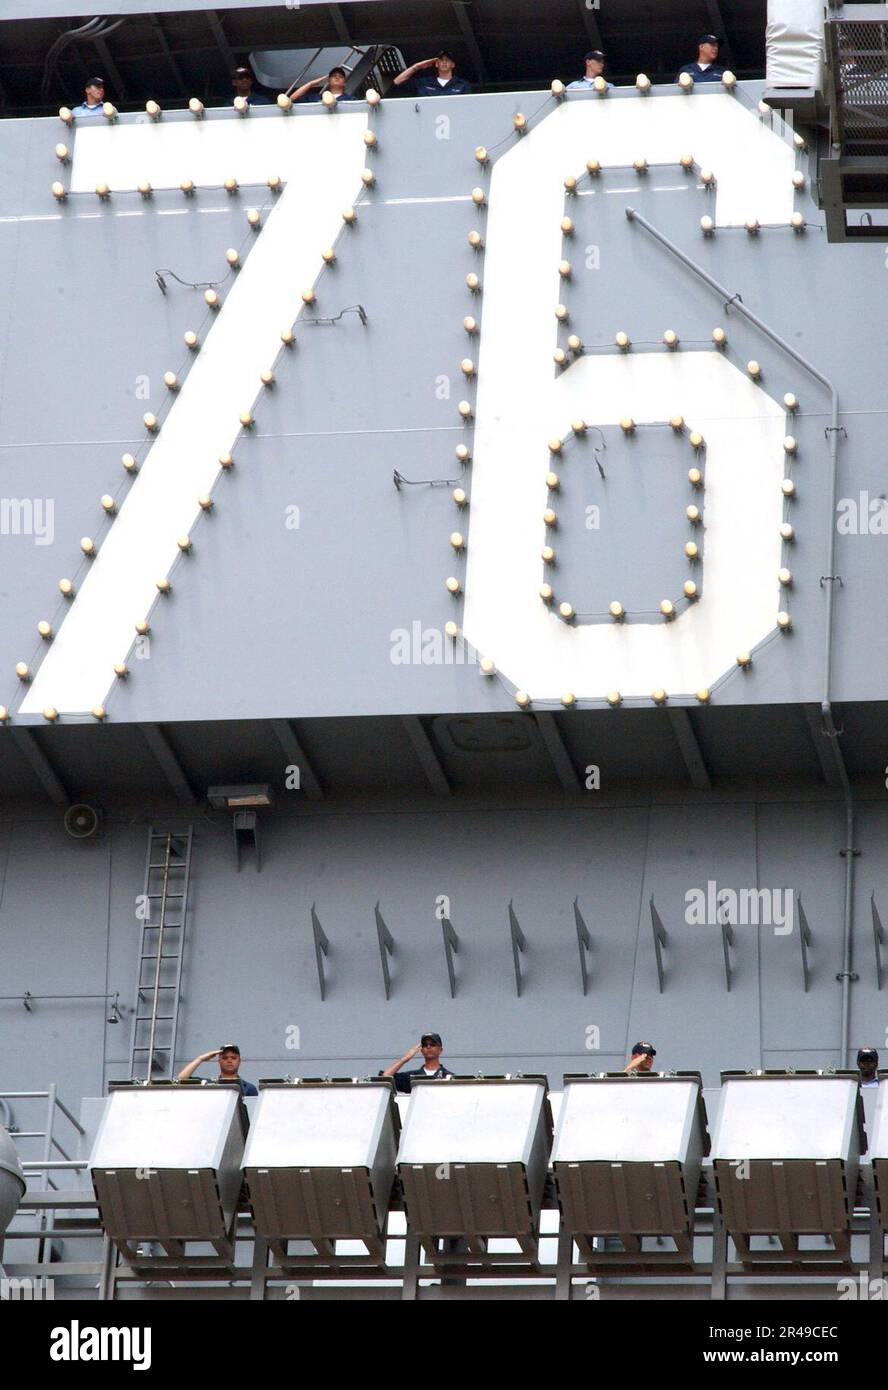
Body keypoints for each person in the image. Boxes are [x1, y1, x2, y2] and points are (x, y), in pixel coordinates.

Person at [382, 1032, 452, 1094]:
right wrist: (405, 1058)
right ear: (421, 1050)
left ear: (440, 1050)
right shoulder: (413, 1077)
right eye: (425, 1045)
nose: (428, 1047)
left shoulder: (449, 1077)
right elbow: (385, 1077)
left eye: (432, 1044)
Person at [177, 1043, 258, 1096]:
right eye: (225, 1058)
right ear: (219, 1061)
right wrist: (200, 1059)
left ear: (239, 1061)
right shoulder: (208, 1084)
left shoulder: (249, 1088)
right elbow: (180, 1080)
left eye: (233, 1058)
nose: (229, 1060)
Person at [393, 52, 471, 96]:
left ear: (453, 65)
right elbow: (397, 82)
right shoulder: (424, 82)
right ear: (436, 64)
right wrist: (417, 66)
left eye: (447, 60)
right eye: (441, 60)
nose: (444, 62)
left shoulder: (463, 85)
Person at [289, 66, 356, 104]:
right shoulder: (317, 98)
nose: (337, 77)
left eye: (341, 76)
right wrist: (311, 83)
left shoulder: (351, 99)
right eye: (334, 76)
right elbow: (291, 99)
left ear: (344, 82)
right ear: (329, 81)